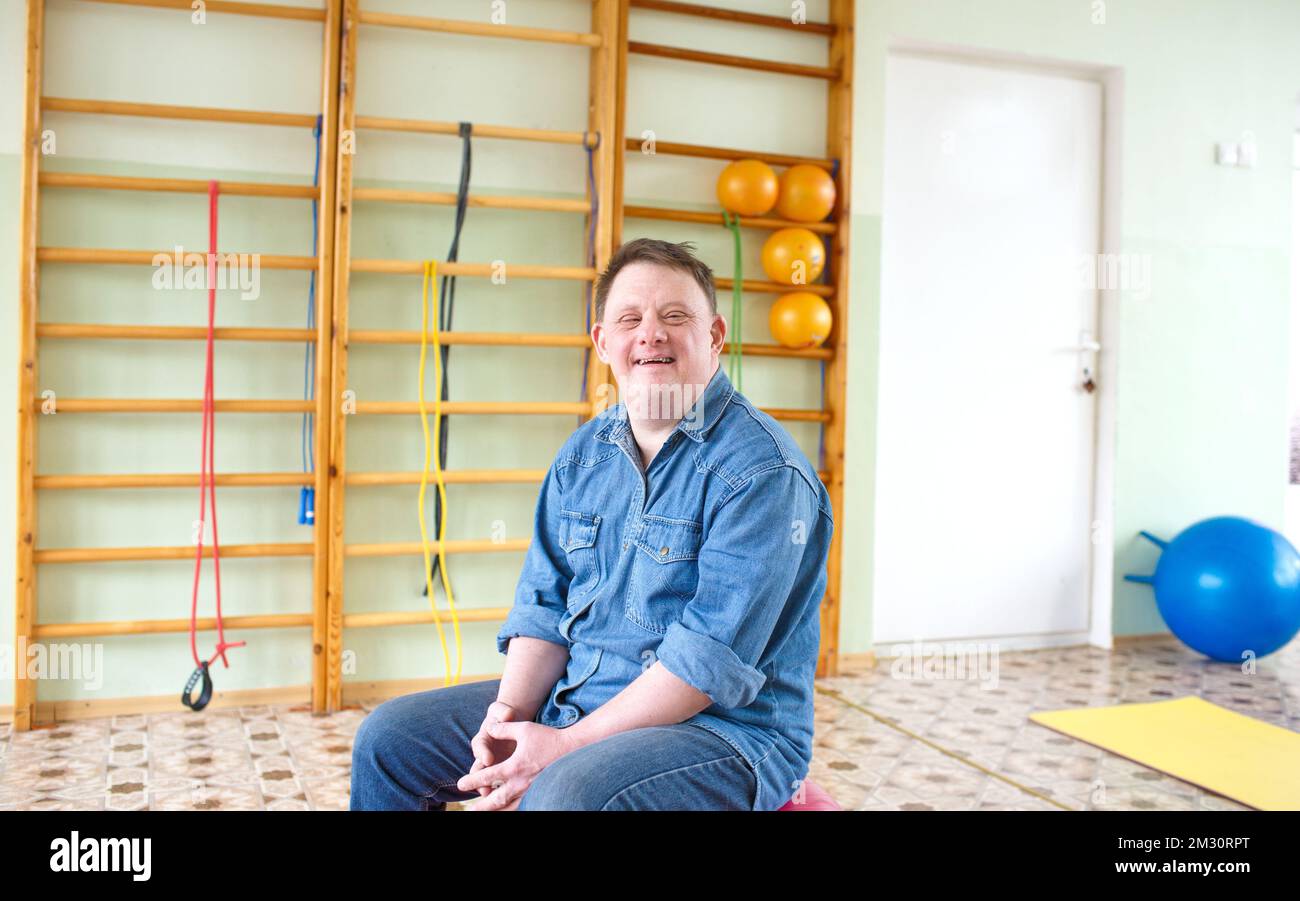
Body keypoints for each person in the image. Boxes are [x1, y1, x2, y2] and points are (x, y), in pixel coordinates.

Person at [349, 237, 834, 811]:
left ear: (715, 337)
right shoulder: (584, 456)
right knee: (388, 741)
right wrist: (507, 719)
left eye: (675, 316)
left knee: (565, 792)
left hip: (727, 732)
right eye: (630, 318)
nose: (651, 333)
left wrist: (561, 747)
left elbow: (704, 665)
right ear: (604, 342)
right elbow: (544, 607)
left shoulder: (764, 474)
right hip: (580, 691)